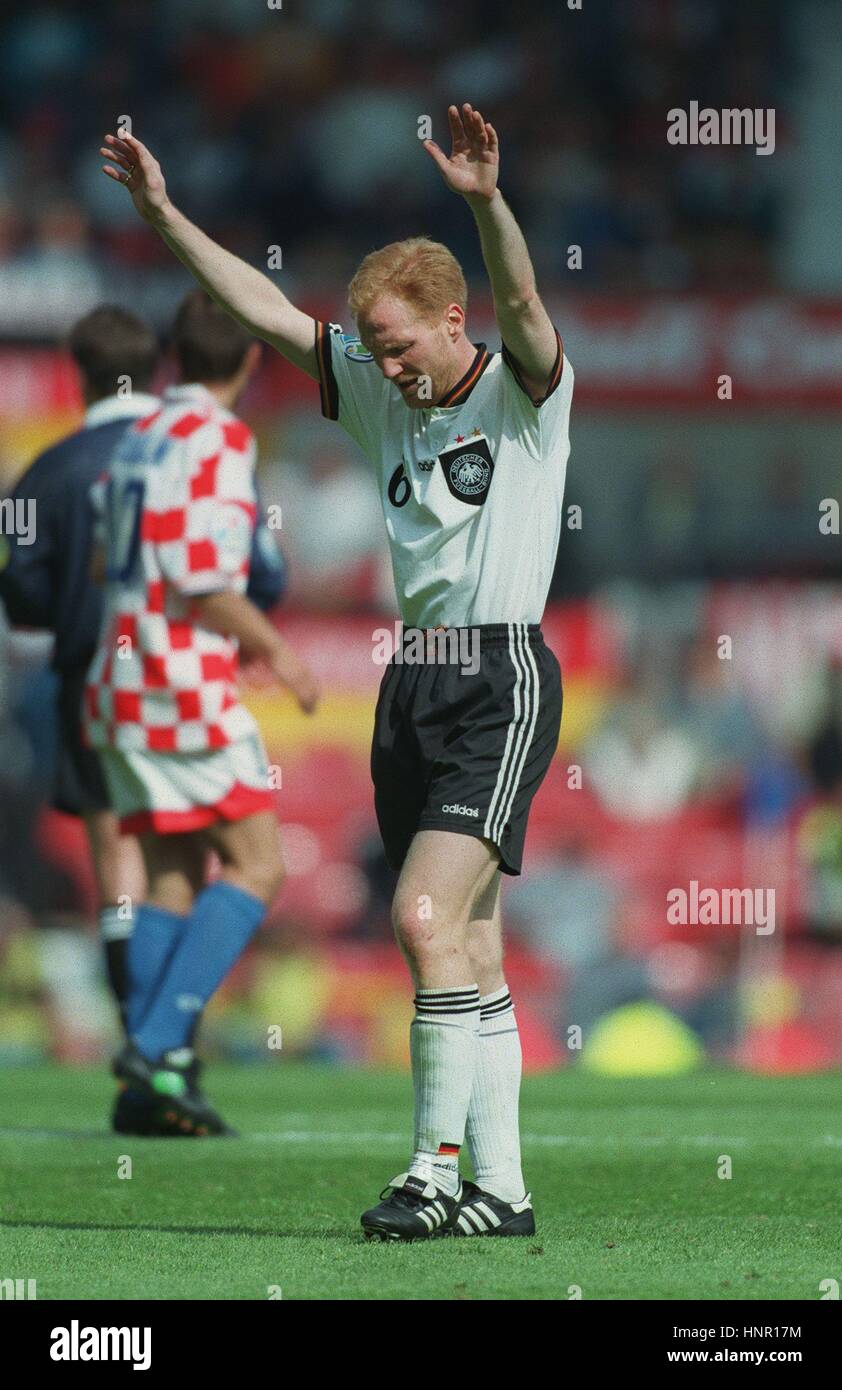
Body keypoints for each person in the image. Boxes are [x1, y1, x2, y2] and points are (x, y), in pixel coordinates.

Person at [100, 102, 572, 1233]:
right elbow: (260, 308)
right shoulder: (376, 389)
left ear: (454, 322)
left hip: (500, 677)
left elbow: (523, 300)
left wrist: (487, 203)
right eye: (380, 350)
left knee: (419, 914)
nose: (392, 368)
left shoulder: (522, 396)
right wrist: (164, 216)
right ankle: (501, 1195)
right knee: (464, 938)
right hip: (412, 681)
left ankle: (429, 1171)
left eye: (405, 346)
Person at [0, 304, 288, 1134]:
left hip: (91, 685)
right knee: (204, 868)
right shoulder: (195, 446)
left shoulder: (51, 468)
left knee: (125, 876)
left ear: (80, 371)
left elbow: (17, 586)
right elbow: (256, 571)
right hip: (181, 680)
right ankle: (159, 1059)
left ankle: (147, 1063)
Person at [84, 289, 319, 1136]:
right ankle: (152, 1042)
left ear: (174, 358)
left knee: (176, 873)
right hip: (181, 684)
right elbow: (204, 580)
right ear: (253, 359)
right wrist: (282, 655)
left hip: (118, 684)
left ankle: (150, 1087)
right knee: (259, 866)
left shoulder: (136, 435)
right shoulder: (219, 440)